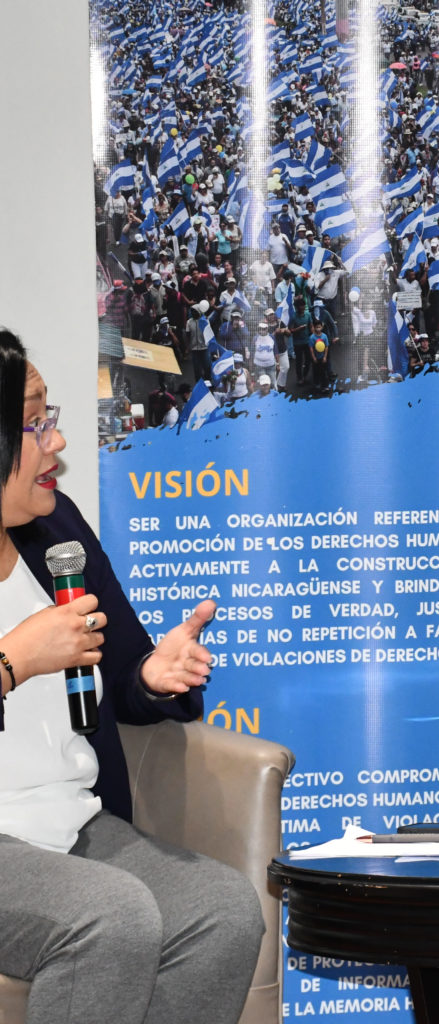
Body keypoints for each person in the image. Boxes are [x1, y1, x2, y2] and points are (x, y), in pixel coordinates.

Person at [0, 329, 263, 1022]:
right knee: (111, 918)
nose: (56, 442)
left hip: (73, 823)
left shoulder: (56, 534)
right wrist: (15, 661)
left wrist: (153, 674)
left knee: (224, 911)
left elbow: (122, 677)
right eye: (34, 422)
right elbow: (24, 661)